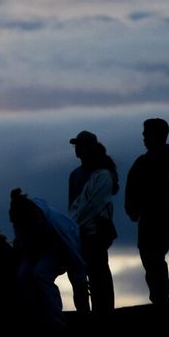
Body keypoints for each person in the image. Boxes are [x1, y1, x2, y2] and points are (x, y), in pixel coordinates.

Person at [124, 118, 169, 304]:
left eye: (147, 134)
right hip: (147, 219)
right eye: (144, 134)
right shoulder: (142, 163)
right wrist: (132, 209)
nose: (144, 138)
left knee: (154, 255)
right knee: (149, 256)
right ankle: (159, 296)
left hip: (166, 220)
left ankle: (161, 296)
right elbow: (131, 188)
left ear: (159, 135)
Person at [9, 189, 85, 330]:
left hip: (62, 249)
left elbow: (74, 254)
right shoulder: (20, 219)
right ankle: (36, 315)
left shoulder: (55, 224)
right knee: (23, 275)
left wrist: (80, 280)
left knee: (41, 274)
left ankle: (57, 320)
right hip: (41, 250)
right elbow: (22, 247)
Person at [67, 131, 119, 313]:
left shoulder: (102, 174)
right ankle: (85, 311)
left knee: (99, 273)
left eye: (79, 145)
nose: (77, 149)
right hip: (78, 232)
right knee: (79, 276)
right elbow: (72, 204)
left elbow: (95, 204)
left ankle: (103, 311)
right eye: (76, 145)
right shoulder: (75, 175)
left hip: (96, 230)